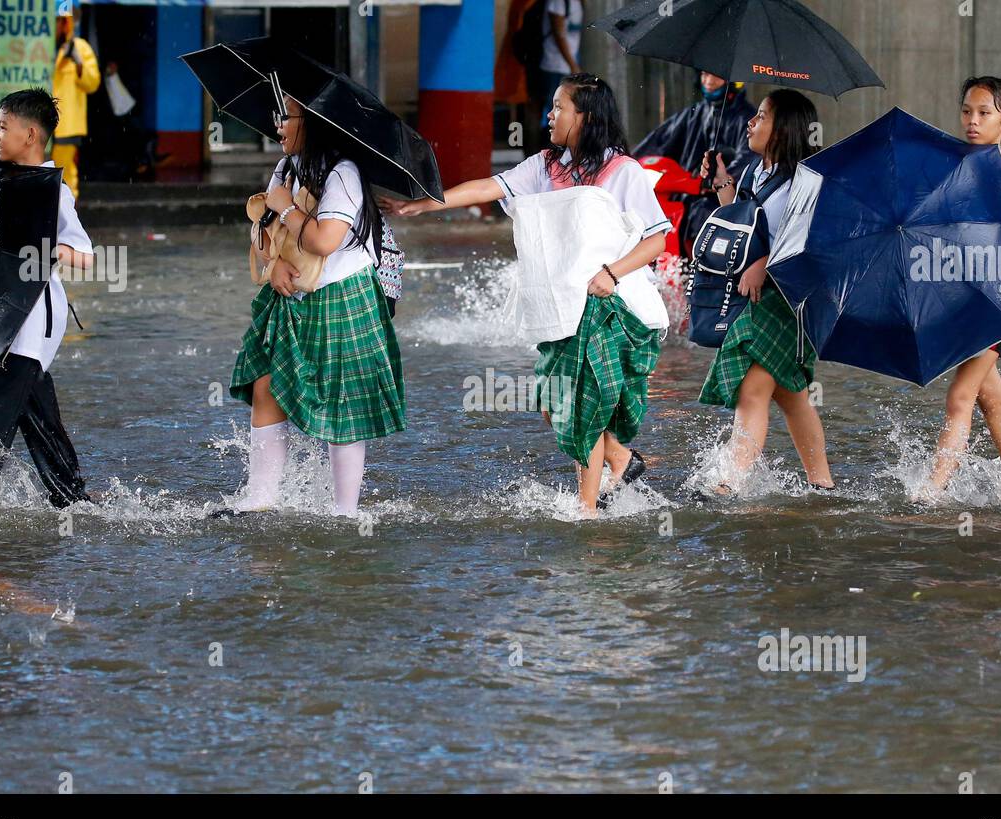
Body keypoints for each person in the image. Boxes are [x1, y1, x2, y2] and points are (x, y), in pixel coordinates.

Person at [379, 73, 670, 517]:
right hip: (561, 307)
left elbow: (656, 240)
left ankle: (586, 512)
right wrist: (419, 204)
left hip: (608, 307)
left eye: (558, 107)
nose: (549, 115)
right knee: (554, 405)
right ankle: (623, 460)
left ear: (585, 116)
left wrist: (611, 272)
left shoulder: (622, 172)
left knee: (580, 406)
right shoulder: (546, 166)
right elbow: (486, 187)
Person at [225, 95, 405, 517]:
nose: (278, 126)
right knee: (265, 381)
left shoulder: (344, 174)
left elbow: (324, 239)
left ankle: (345, 511)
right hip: (293, 295)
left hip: (342, 294)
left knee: (341, 400)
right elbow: (264, 231)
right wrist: (273, 267)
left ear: (315, 121)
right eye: (277, 116)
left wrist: (286, 205)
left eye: (286, 117)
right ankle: (260, 501)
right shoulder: (286, 168)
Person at [0, 88, 95, 508]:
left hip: (37, 317)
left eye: (4, 127)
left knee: (0, 400)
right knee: (37, 413)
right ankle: (73, 501)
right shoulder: (1, 182)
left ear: (31, 134)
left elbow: (88, 258)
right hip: (6, 314)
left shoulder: (53, 190)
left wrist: (51, 249)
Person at [698, 89, 834, 492]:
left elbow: (808, 243)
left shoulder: (806, 183)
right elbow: (742, 220)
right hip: (755, 297)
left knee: (753, 387)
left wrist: (763, 264)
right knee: (791, 392)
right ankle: (822, 484)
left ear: (785, 128)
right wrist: (722, 182)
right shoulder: (755, 172)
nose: (750, 122)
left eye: (761, 116)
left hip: (789, 299)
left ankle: (730, 481)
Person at [916, 77, 1001, 503]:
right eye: (967, 112)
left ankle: (932, 491)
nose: (973, 121)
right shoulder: (955, 168)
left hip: (992, 301)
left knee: (961, 395)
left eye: (984, 114)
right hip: (956, 295)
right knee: (993, 398)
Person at [635, 72, 755, 249]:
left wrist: (716, 179)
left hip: (721, 198)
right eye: (705, 74)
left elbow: (748, 158)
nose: (709, 81)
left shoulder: (746, 118)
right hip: (687, 191)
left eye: (717, 76)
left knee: (703, 212)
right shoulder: (693, 114)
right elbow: (656, 143)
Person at [51, 8, 100, 199]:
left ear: (65, 23)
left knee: (65, 177)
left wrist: (79, 64)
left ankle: (66, 222)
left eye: (56, 21)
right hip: (38, 122)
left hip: (67, 124)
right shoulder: (37, 47)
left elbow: (93, 83)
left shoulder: (80, 47)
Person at [537, 0, 582, 126]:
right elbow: (559, 34)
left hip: (568, 65)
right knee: (553, 112)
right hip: (555, 64)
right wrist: (572, 64)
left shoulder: (576, 2)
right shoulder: (558, 2)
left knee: (563, 111)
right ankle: (548, 142)